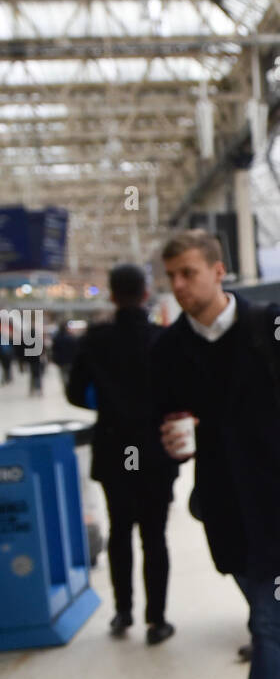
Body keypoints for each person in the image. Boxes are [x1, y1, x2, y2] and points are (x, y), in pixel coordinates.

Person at [153, 230, 280, 679]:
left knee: (268, 624)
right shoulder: (170, 348)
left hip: (279, 506)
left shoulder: (273, 327)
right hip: (225, 512)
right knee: (267, 614)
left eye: (188, 273)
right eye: (170, 275)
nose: (178, 285)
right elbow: (162, 424)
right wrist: (171, 444)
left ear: (220, 271)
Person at [67, 264, 178, 643]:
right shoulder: (162, 339)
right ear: (146, 293)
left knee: (120, 532)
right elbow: (180, 395)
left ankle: (123, 612)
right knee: (155, 536)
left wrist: (108, 403)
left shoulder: (96, 340)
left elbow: (75, 392)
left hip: (115, 449)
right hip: (155, 451)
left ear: (112, 296)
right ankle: (156, 620)